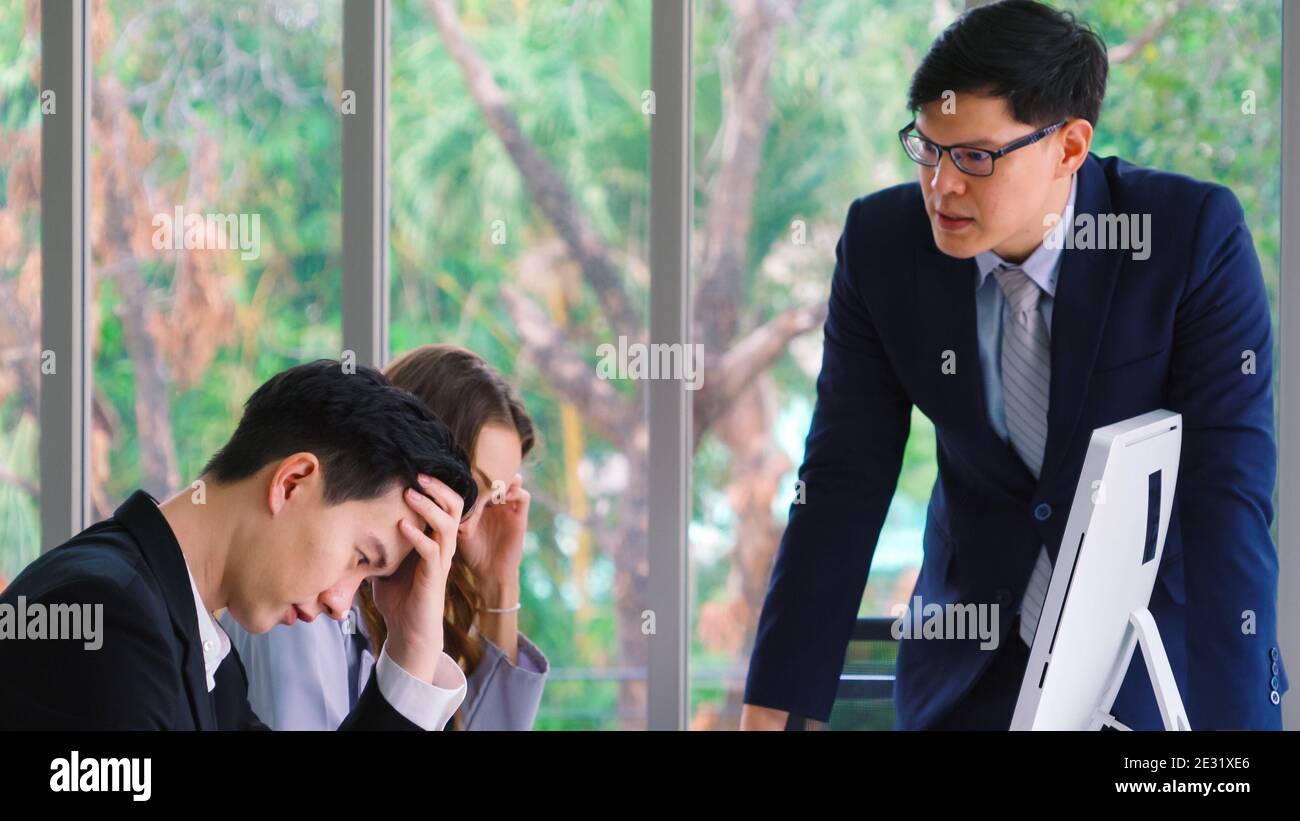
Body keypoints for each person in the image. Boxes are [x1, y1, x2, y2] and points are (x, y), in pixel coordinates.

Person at [742, 0, 1287, 730]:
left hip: (1153, 671)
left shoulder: (1188, 241)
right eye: (928, 148)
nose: (942, 185)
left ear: (1068, 147)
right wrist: (776, 708)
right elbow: (842, 482)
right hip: (968, 679)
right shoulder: (883, 247)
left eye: (975, 157)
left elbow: (1228, 500)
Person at [0, 360, 478, 730]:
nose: (340, 603)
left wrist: (412, 648)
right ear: (292, 483)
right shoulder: (107, 618)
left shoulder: (202, 652)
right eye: (360, 558)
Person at [222, 344, 548, 730]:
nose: (467, 527)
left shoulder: (405, 612)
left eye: (489, 502)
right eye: (471, 491)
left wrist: (499, 583)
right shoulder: (303, 604)